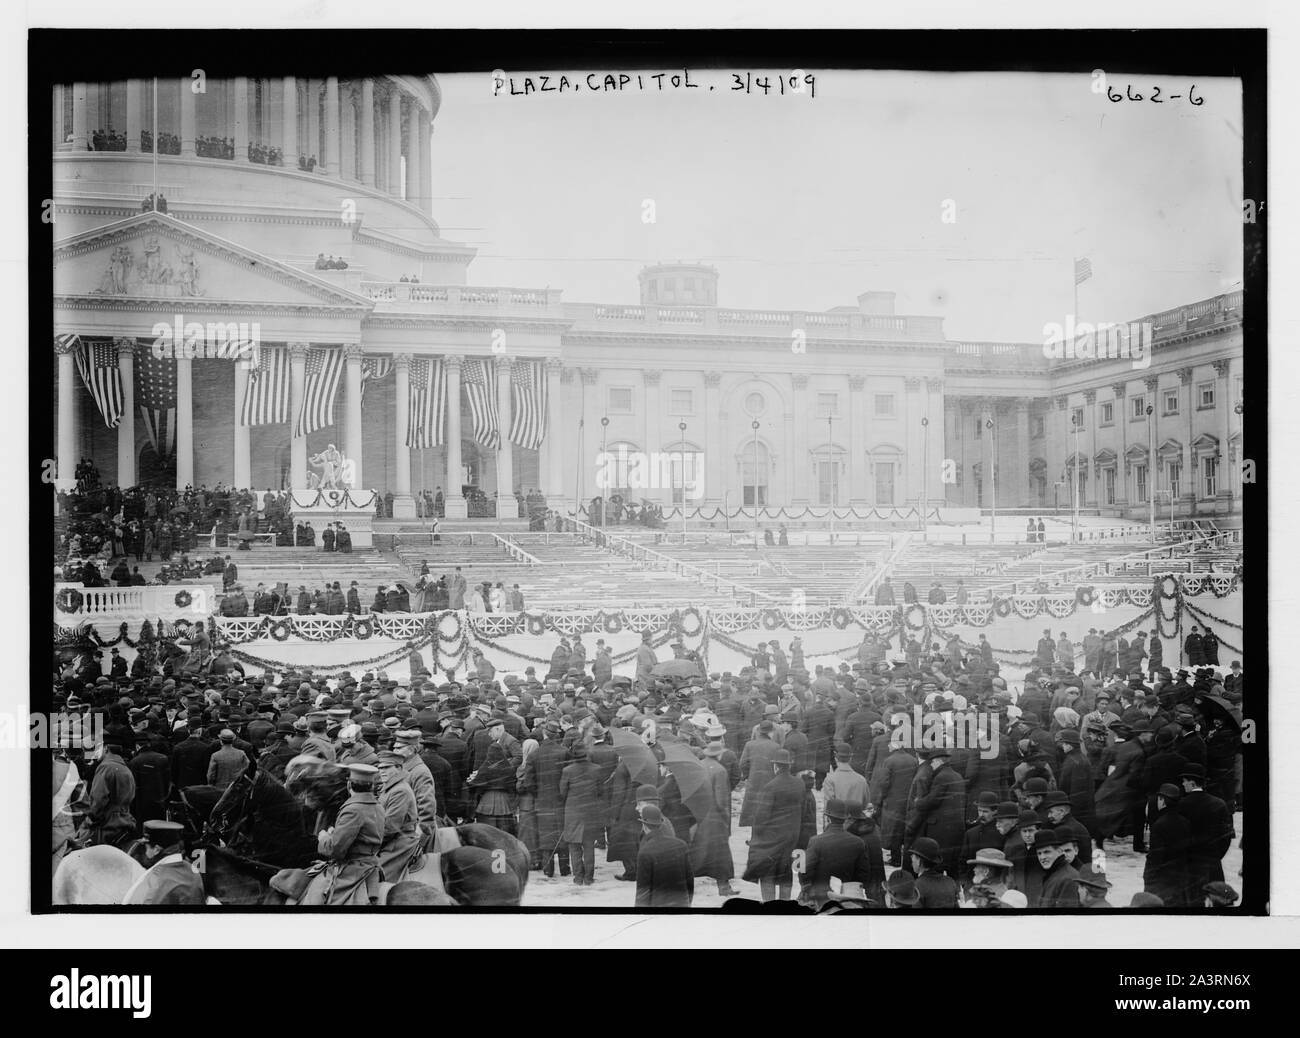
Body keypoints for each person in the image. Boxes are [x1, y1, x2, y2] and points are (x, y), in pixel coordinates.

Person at [300, 763, 385, 905]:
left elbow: (335, 850)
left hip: (352, 869)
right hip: (372, 865)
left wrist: (324, 837)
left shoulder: (352, 809)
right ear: (371, 786)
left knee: (313, 896)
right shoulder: (378, 806)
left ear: (349, 785)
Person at [742, 748, 805, 902]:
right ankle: (785, 904)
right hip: (791, 837)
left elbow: (761, 818)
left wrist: (755, 839)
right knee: (785, 872)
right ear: (789, 765)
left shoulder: (770, 786)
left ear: (775, 766)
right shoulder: (799, 784)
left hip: (772, 839)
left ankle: (769, 906)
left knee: (767, 873)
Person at [800, 799, 875, 909]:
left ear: (827, 818)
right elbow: (864, 874)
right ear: (845, 818)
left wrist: (806, 888)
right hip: (848, 897)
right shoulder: (858, 842)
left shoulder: (816, 841)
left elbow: (804, 871)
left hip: (822, 898)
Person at [904, 746, 966, 878]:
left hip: (941, 829)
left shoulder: (941, 777)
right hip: (955, 827)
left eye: (932, 762)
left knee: (938, 864)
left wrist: (917, 802)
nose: (931, 765)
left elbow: (932, 800)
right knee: (952, 866)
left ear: (938, 761)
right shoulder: (957, 776)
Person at [1179, 763, 1235, 896]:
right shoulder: (1219, 803)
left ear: (1192, 784)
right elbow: (1226, 836)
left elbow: (1178, 835)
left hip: (1190, 865)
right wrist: (1216, 856)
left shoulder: (1181, 805)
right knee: (1215, 900)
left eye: (1184, 782)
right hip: (1212, 864)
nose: (1183, 784)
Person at [122, 820, 206, 905]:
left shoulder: (155, 880)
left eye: (146, 847)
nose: (145, 851)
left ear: (156, 849)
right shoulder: (194, 871)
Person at [558, 742, 604, 886]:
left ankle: (578, 878)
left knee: (574, 847)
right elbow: (600, 791)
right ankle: (589, 878)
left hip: (573, 813)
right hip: (591, 812)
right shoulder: (597, 769)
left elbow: (562, 792)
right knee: (589, 846)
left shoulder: (567, 770)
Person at [634, 805, 694, 908]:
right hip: (681, 905)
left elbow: (643, 892)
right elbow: (690, 880)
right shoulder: (681, 845)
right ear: (661, 824)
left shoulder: (645, 852)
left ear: (644, 826)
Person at [375, 751, 421, 883]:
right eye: (380, 768)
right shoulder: (389, 787)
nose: (382, 771)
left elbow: (389, 828)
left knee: (375, 875)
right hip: (391, 840)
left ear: (399, 768)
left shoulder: (400, 791)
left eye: (386, 767)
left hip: (399, 843)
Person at [908, 836, 958, 908]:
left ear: (919, 861)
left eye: (913, 856)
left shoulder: (918, 886)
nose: (911, 859)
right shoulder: (950, 881)